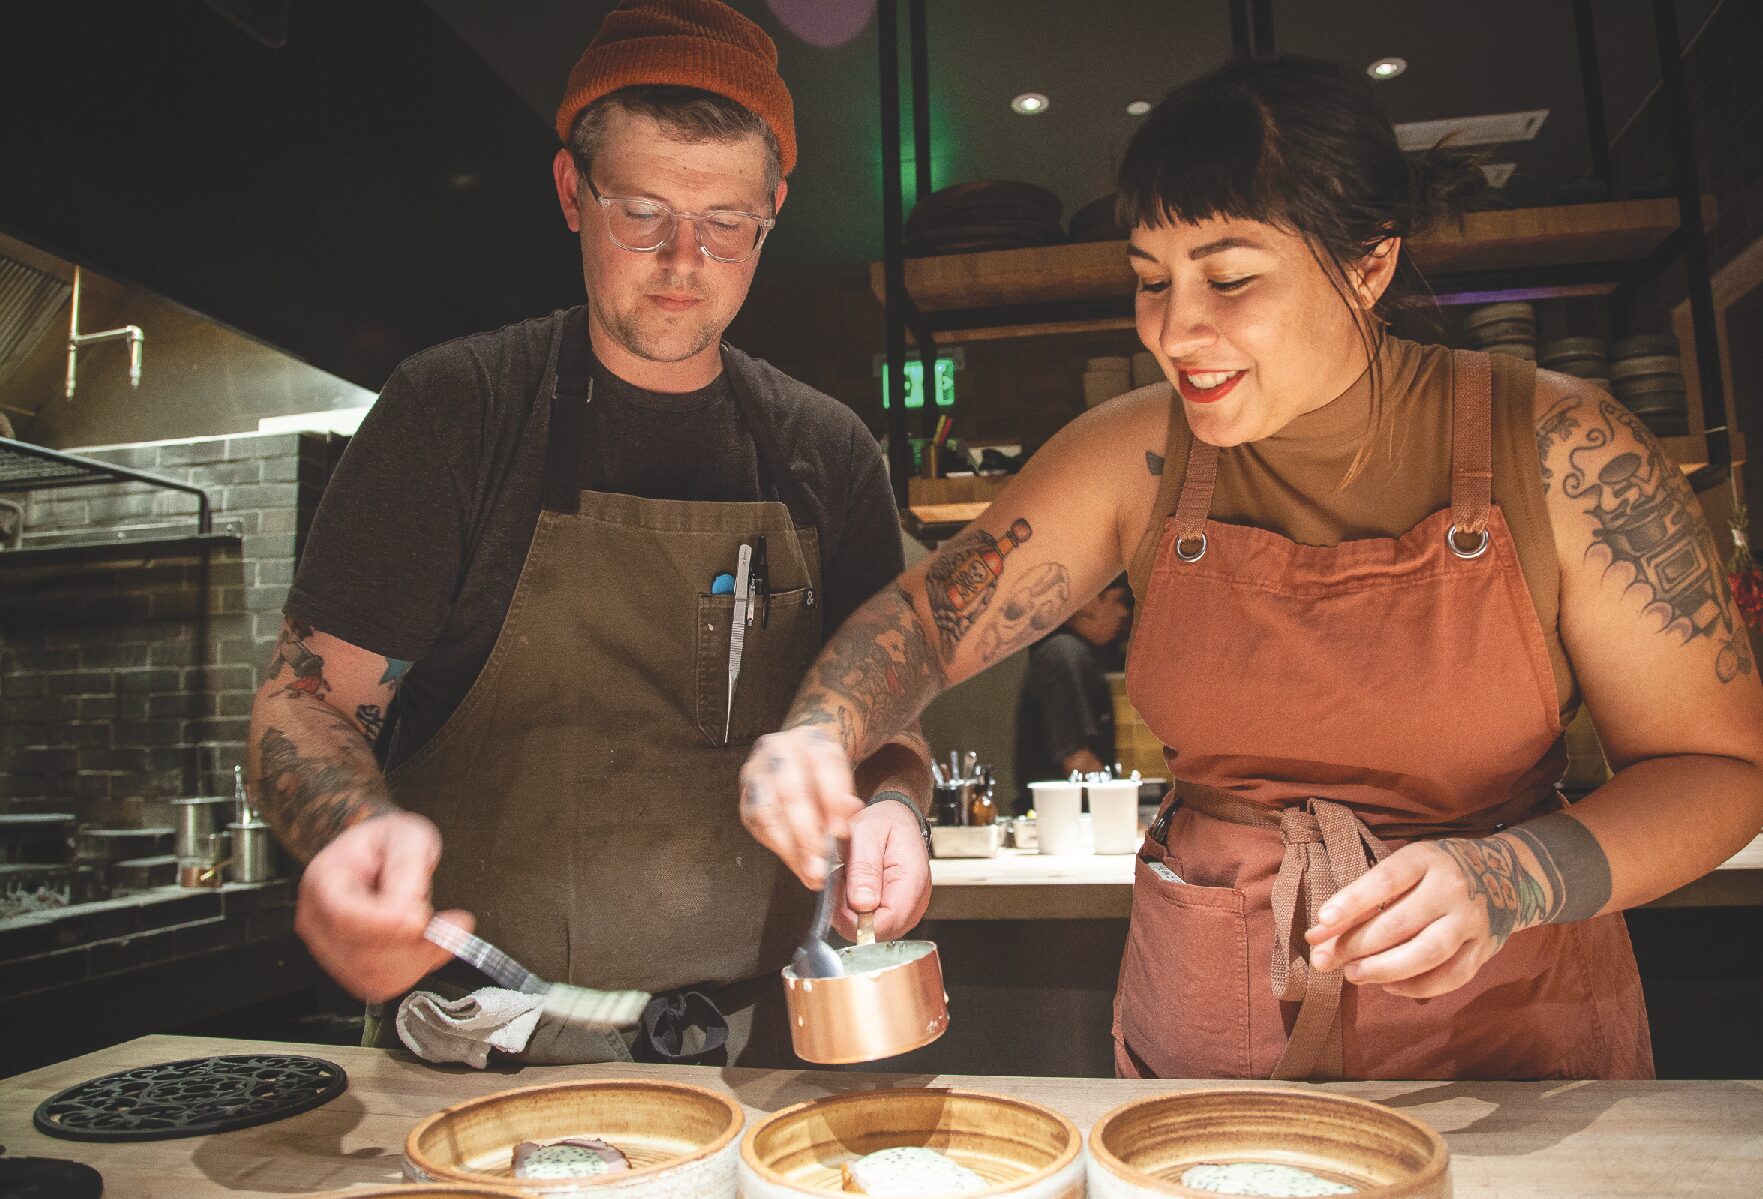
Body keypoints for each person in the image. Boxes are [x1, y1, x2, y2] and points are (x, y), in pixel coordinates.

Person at [740, 55, 1763, 1081]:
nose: (1173, 329)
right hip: (1212, 1030)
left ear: (1367, 265)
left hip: (1505, 1035)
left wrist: (1515, 873)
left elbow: (1720, 770)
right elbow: (927, 625)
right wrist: (822, 728)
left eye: (1228, 279)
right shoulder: (1132, 455)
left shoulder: (1562, 450)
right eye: (1151, 280)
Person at [248, 0, 932, 1067]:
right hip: (484, 1052)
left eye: (726, 224)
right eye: (642, 213)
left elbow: (888, 717)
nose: (682, 261)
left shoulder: (826, 449)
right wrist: (350, 833)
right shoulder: (456, 410)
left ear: (772, 212)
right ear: (572, 191)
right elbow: (307, 700)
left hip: (758, 1049)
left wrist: (894, 806)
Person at [1015, 576, 1130, 796]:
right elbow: (1077, 761)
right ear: (1089, 602)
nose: (1123, 612)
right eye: (1117, 600)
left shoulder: (1073, 653)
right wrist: (1120, 805)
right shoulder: (1064, 655)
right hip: (1061, 813)